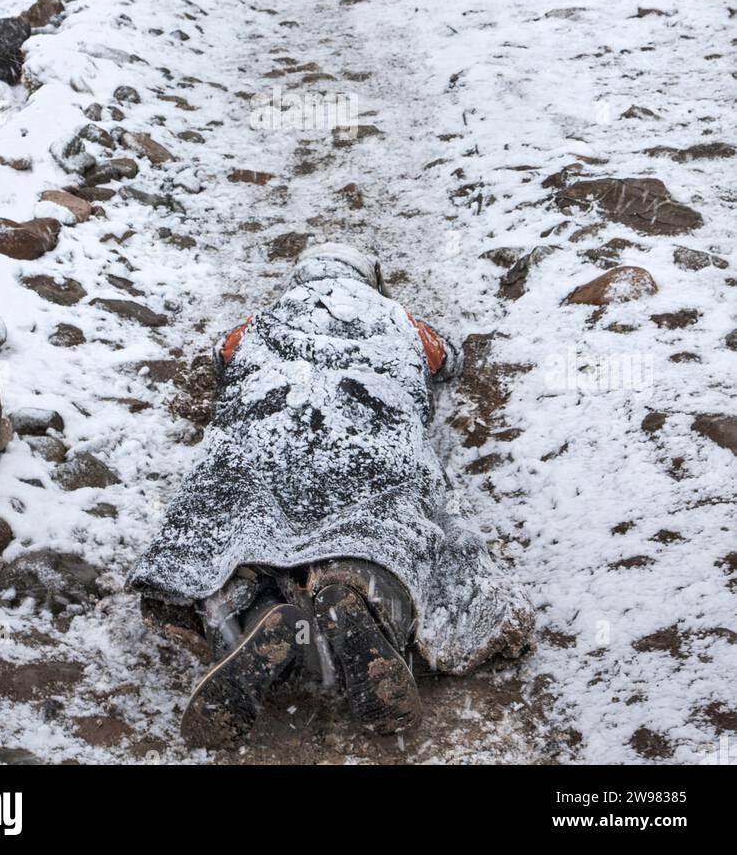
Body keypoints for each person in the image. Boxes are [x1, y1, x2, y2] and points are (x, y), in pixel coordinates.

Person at [128, 243, 533, 748]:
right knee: (388, 524)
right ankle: (359, 590)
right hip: (369, 443)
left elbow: (221, 356)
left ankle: (248, 609)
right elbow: (448, 358)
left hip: (266, 441)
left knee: (233, 521)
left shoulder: (262, 319)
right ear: (369, 279)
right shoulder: (400, 318)